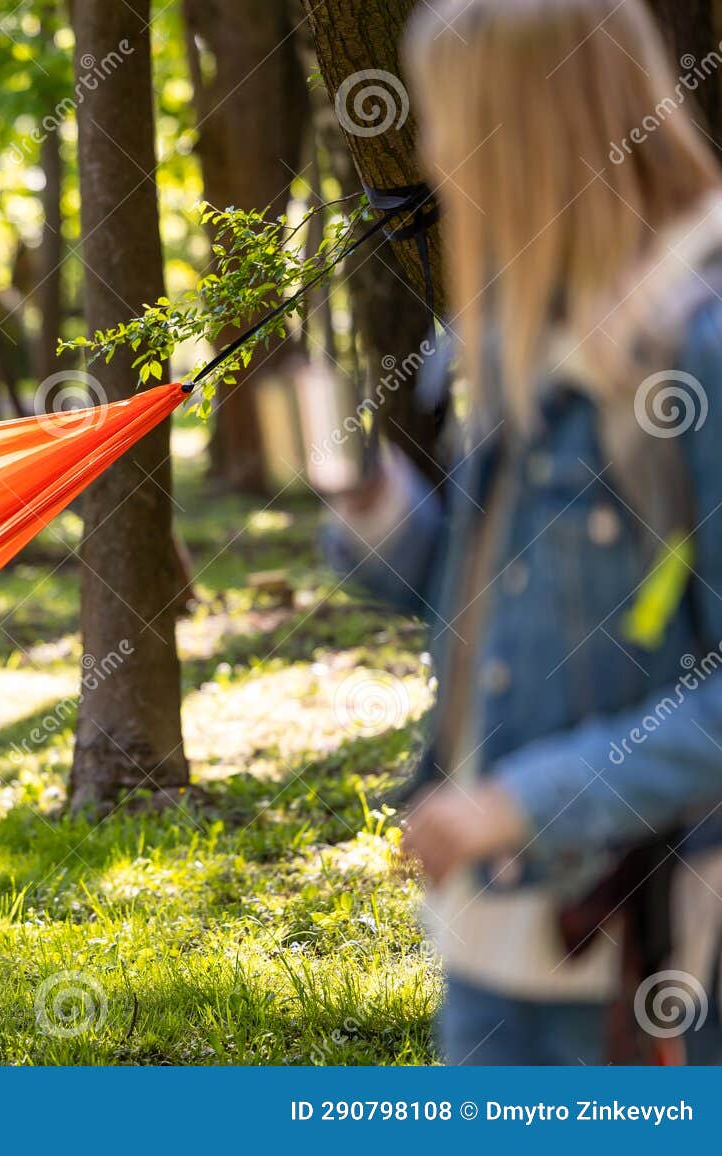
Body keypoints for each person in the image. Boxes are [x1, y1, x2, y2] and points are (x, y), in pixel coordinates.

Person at [324, 0, 722, 1063]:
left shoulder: (702, 353)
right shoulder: (504, 341)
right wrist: (363, 500)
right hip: (502, 929)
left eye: (453, 119)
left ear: (529, 133)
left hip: (652, 946)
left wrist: (520, 803)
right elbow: (468, 595)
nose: (438, 153)